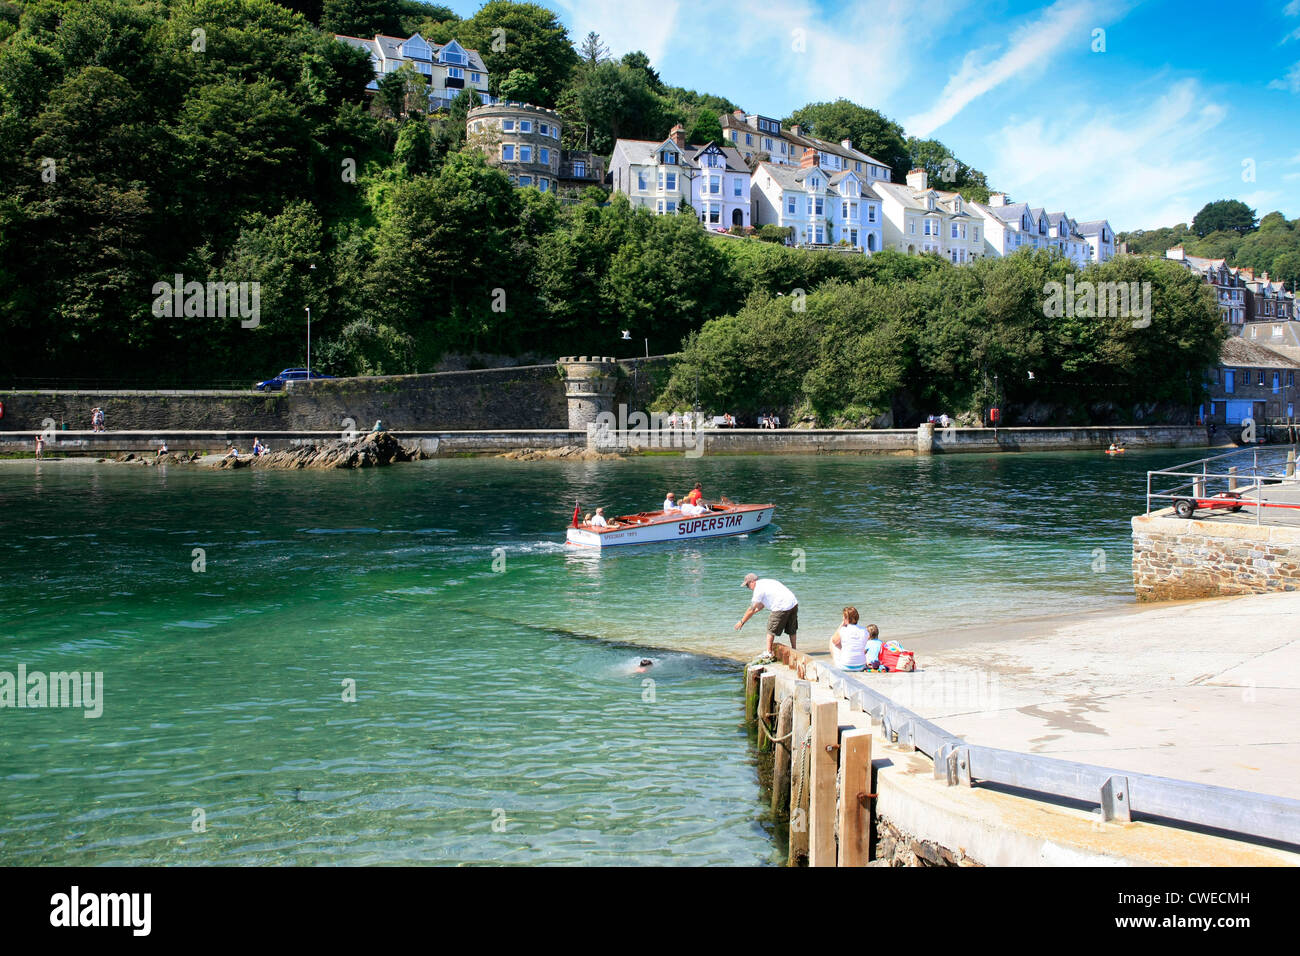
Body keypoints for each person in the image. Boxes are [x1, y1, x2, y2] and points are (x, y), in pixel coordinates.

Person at [735, 572, 798, 660]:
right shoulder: (766, 582)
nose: (748, 588)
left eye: (747, 585)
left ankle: (768, 653)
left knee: (770, 629)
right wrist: (754, 612)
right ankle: (795, 650)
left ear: (752, 582)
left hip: (781, 605)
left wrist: (742, 622)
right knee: (792, 628)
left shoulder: (758, 589)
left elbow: (751, 608)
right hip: (793, 602)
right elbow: (761, 605)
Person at [829, 607, 869, 671]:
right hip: (861, 666)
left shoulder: (843, 630)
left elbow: (834, 640)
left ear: (846, 618)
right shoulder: (864, 630)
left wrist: (842, 624)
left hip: (844, 666)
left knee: (832, 640)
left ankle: (836, 663)